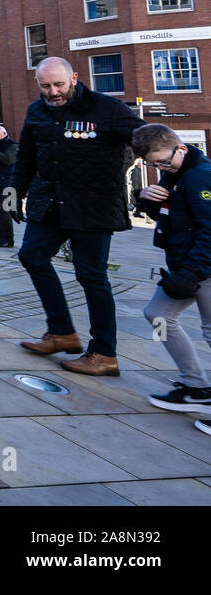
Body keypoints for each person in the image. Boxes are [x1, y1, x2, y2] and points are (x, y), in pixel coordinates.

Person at [12, 56, 145, 376]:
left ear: (74, 78)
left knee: (91, 276)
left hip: (93, 206)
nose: (53, 92)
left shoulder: (106, 108)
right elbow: (26, 156)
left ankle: (103, 354)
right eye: (46, 86)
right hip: (50, 203)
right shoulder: (36, 111)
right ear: (37, 84)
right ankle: (61, 333)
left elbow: (144, 137)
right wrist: (12, 196)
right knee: (32, 256)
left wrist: (123, 166)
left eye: (59, 84)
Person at [132, 125, 211, 420]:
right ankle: (196, 387)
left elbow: (209, 230)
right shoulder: (175, 173)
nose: (160, 168)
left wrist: (192, 273)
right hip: (186, 265)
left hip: (202, 267)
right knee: (159, 314)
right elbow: (175, 217)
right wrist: (148, 201)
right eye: (154, 164)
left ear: (180, 148)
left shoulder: (201, 175)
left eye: (164, 162)